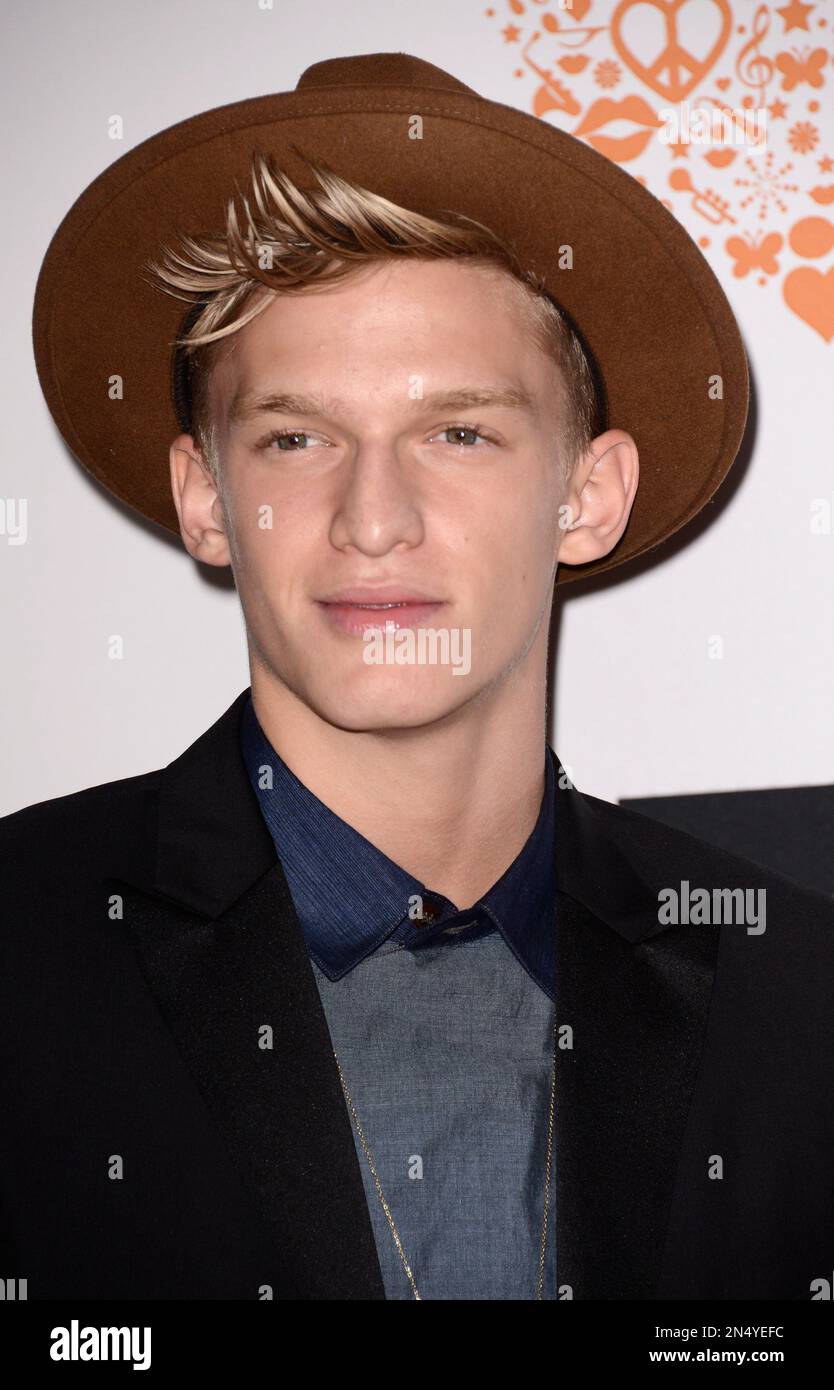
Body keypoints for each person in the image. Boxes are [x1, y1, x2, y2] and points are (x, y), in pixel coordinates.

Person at [3, 51, 832, 1301]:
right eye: (294, 436)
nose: (372, 517)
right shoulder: (22, 956)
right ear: (205, 499)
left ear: (588, 495)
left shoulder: (797, 1002)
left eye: (458, 432)